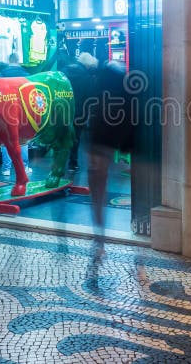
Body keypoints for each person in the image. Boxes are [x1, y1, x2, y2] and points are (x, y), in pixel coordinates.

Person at [87, 59, 132, 252]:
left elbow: (93, 114)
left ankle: (99, 234)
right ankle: (100, 234)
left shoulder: (98, 87)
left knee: (97, 191)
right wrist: (126, 146)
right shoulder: (125, 90)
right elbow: (129, 118)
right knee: (100, 188)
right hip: (110, 143)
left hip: (97, 143)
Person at [61, 52, 98, 172]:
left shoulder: (64, 71)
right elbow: (91, 97)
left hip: (62, 109)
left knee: (61, 136)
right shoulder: (87, 77)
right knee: (75, 137)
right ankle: (72, 163)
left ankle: (59, 163)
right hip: (79, 112)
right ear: (87, 65)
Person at [0, 53, 31, 177]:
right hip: (22, 110)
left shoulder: (1, 75)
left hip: (6, 109)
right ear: (18, 60)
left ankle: (6, 169)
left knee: (6, 139)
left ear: (9, 60)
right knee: (23, 138)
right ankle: (25, 166)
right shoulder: (26, 75)